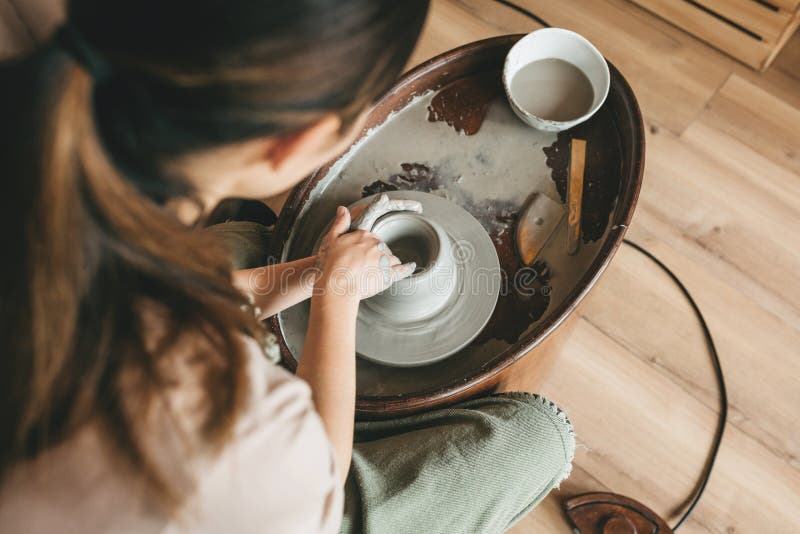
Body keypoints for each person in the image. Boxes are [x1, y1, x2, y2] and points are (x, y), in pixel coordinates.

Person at [0, 1, 574, 533]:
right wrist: (337, 301)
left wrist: (306, 277)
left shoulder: (36, 129)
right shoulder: (214, 420)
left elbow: (154, 295)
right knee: (535, 438)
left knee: (251, 243)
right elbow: (319, 480)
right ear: (300, 143)